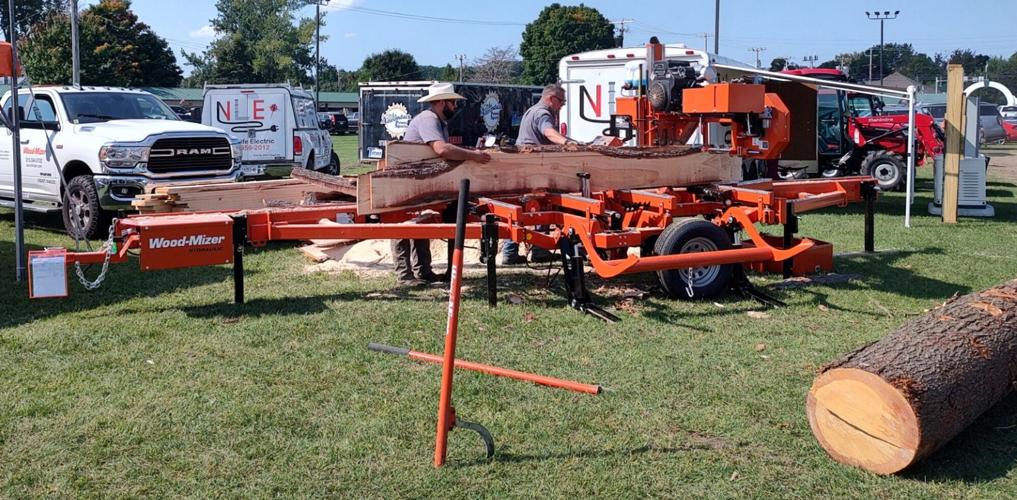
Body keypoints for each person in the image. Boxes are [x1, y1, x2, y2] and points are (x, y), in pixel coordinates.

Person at [391, 82, 491, 286]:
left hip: (420, 178)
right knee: (404, 223)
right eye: (453, 102)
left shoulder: (438, 121)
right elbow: (442, 150)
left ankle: (423, 272)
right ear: (441, 102)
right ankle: (405, 275)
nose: (455, 107)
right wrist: (474, 156)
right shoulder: (429, 119)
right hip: (407, 178)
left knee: (420, 222)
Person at [506, 83, 577, 264]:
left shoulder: (531, 111)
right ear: (551, 98)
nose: (562, 105)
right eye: (561, 101)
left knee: (521, 209)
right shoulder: (542, 113)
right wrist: (568, 144)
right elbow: (549, 132)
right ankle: (538, 250)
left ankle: (510, 252)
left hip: (525, 167)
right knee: (543, 205)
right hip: (534, 168)